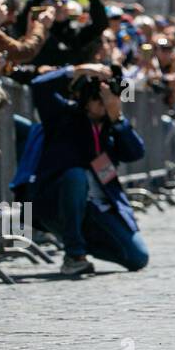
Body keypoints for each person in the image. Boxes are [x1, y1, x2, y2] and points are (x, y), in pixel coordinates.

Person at [31, 63, 149, 276]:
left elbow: (135, 153)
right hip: (58, 202)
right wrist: (79, 70)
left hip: (99, 208)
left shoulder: (112, 126)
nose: (103, 104)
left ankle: (82, 242)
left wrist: (118, 117)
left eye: (107, 98)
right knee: (76, 175)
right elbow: (39, 85)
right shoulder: (63, 116)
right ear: (85, 98)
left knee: (138, 258)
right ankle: (74, 254)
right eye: (97, 98)